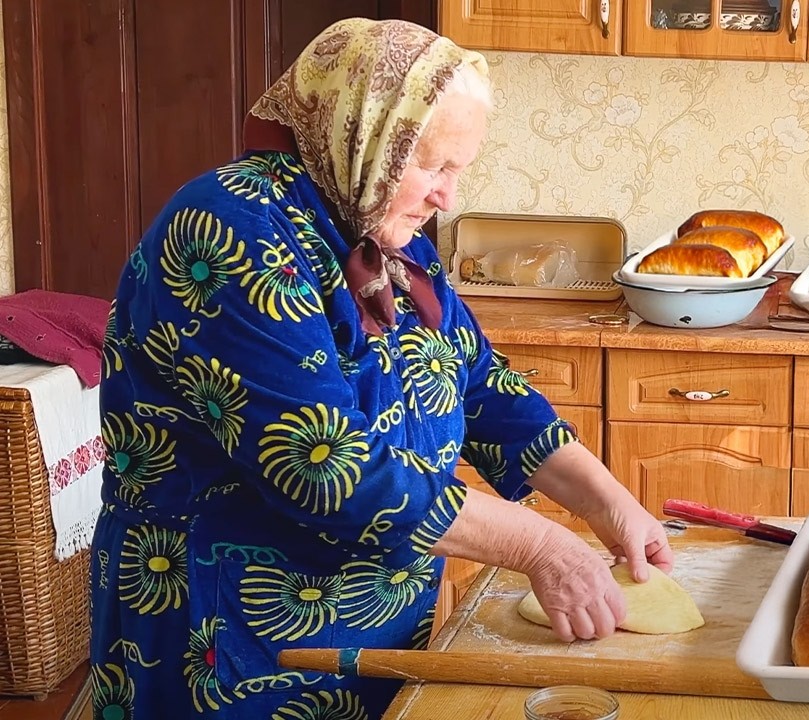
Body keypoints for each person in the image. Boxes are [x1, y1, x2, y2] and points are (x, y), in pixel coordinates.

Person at [89, 18, 673, 719]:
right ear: (363, 133)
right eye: (433, 167)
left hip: (372, 631)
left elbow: (484, 388)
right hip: (225, 631)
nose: (448, 198)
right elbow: (326, 468)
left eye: (460, 169)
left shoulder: (380, 229)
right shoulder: (231, 227)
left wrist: (609, 501)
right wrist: (542, 545)